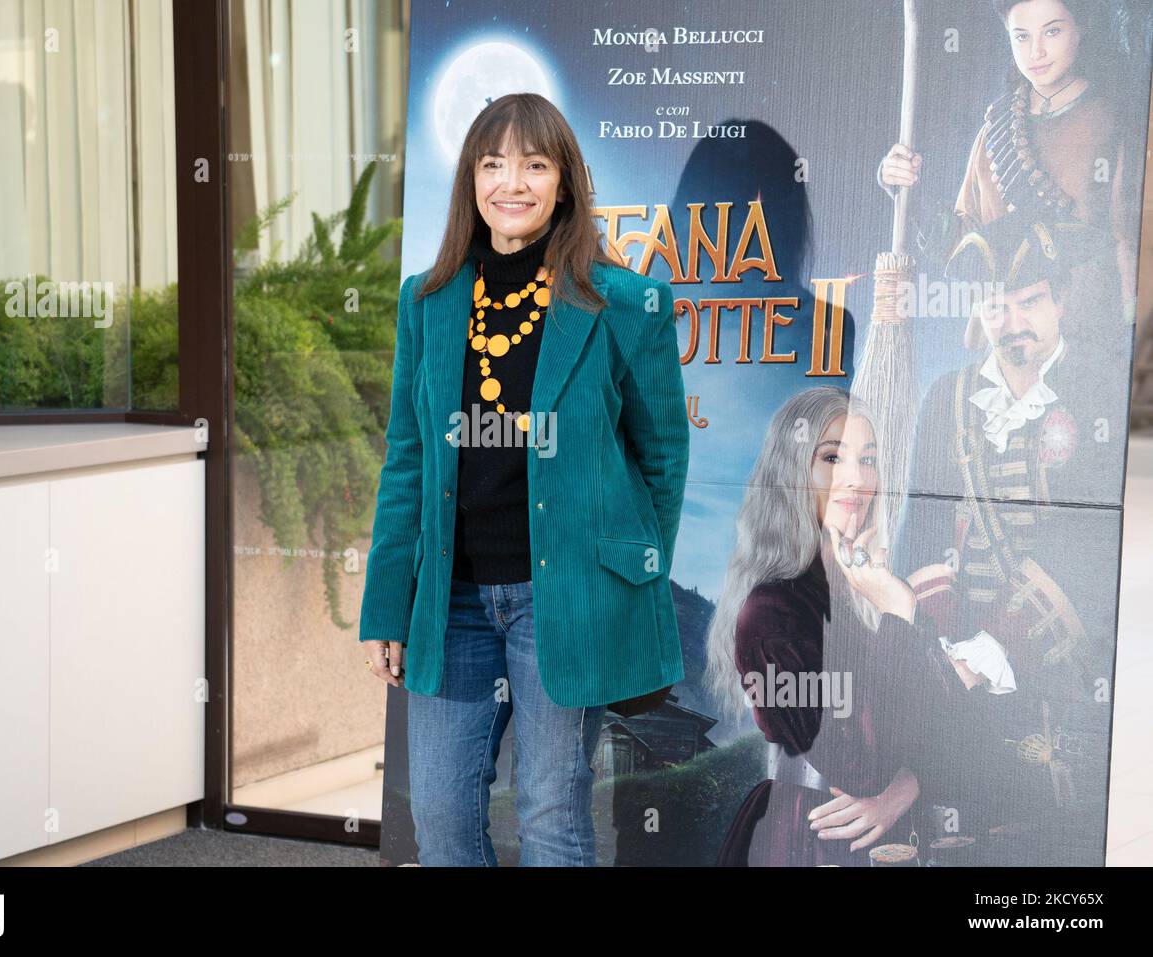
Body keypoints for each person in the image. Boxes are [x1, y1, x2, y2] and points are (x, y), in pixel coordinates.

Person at [357, 93, 690, 866]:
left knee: (550, 815)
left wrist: (626, 579)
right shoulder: (428, 302)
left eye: (535, 164)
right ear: (471, 178)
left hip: (561, 603)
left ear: (564, 182)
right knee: (440, 816)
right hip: (452, 602)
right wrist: (385, 606)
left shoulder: (626, 303)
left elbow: (662, 458)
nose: (513, 181)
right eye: (494, 162)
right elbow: (407, 457)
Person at [897, 212, 1120, 865]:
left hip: (1065, 689)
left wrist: (989, 651)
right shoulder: (948, 398)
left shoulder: (1104, 391)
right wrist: (937, 651)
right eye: (996, 303)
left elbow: (1092, 546)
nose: (1013, 321)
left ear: (1062, 301)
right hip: (962, 691)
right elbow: (923, 531)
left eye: (1030, 301)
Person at [707, 387, 985, 867]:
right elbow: (860, 765)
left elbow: (952, 739)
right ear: (792, 472)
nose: (856, 480)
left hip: (876, 839)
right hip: (811, 839)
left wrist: (900, 792)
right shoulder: (771, 611)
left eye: (868, 460)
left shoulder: (853, 592)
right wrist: (899, 610)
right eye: (833, 458)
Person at [878, 0, 1140, 331]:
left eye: (1053, 31)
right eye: (1021, 37)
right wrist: (909, 193)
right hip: (1005, 331)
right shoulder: (995, 130)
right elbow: (967, 242)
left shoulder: (1115, 122)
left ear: (1081, 27)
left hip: (1090, 327)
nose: (1036, 52)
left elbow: (1128, 239)